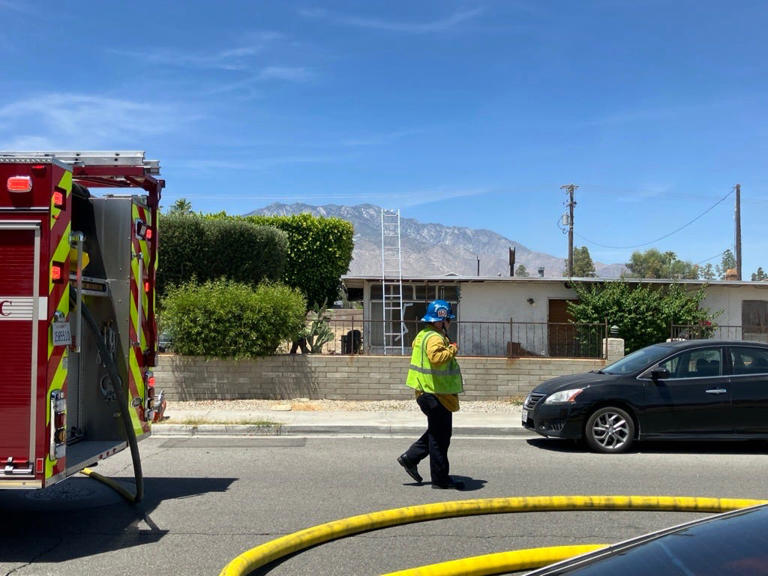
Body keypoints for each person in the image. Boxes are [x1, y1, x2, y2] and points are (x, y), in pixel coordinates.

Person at [397, 299, 464, 490]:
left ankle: (410, 458)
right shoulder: (435, 337)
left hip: (426, 392)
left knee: (438, 433)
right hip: (435, 394)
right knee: (440, 438)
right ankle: (440, 479)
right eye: (448, 319)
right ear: (440, 320)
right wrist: (452, 349)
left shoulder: (422, 335)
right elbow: (436, 358)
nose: (450, 323)